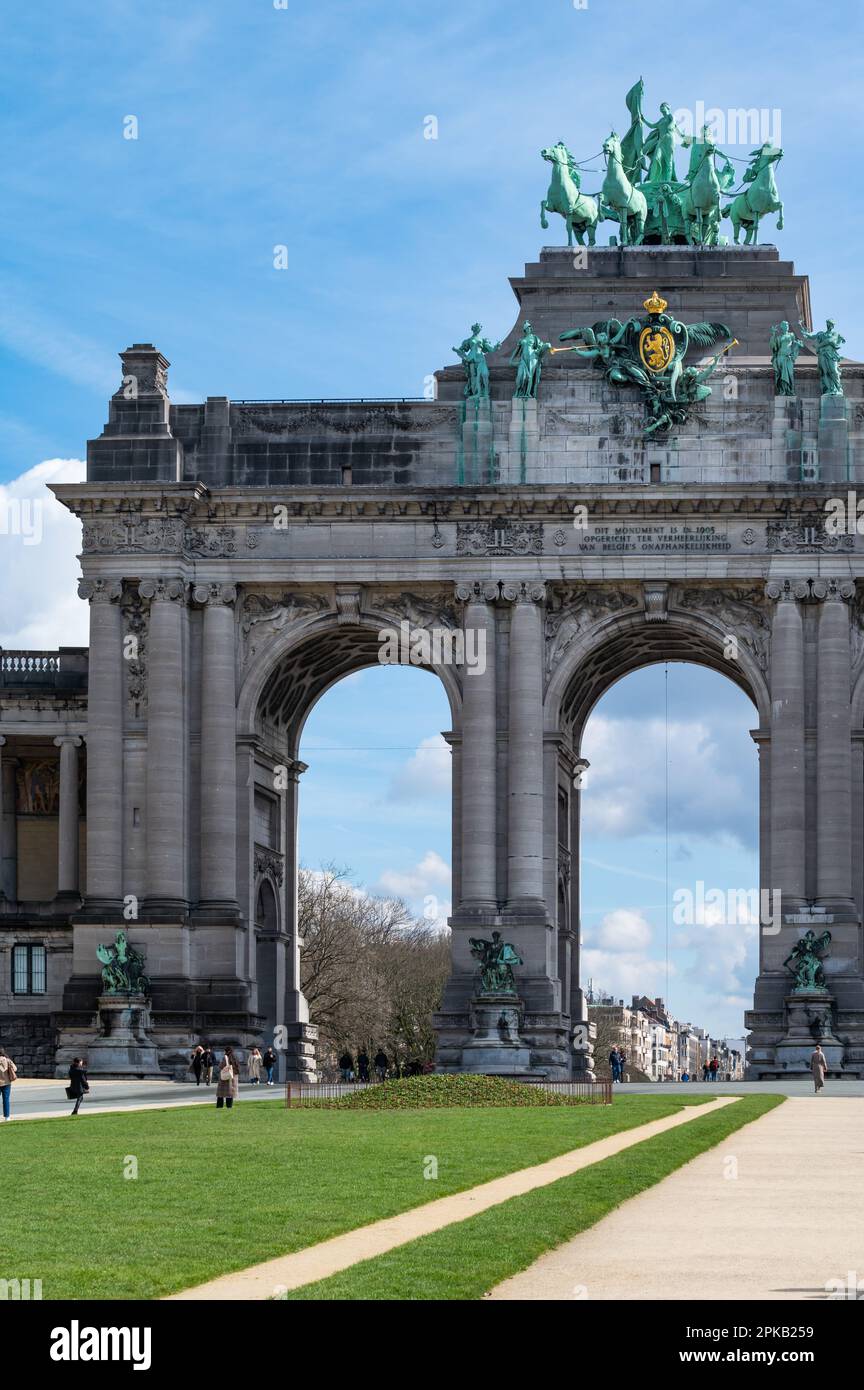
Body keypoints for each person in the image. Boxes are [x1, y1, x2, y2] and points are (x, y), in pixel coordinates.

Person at [0, 1046, 18, 1121]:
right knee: (6, 1100)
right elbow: (15, 1069)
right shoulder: (7, 1060)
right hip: (7, 1083)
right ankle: (7, 1117)